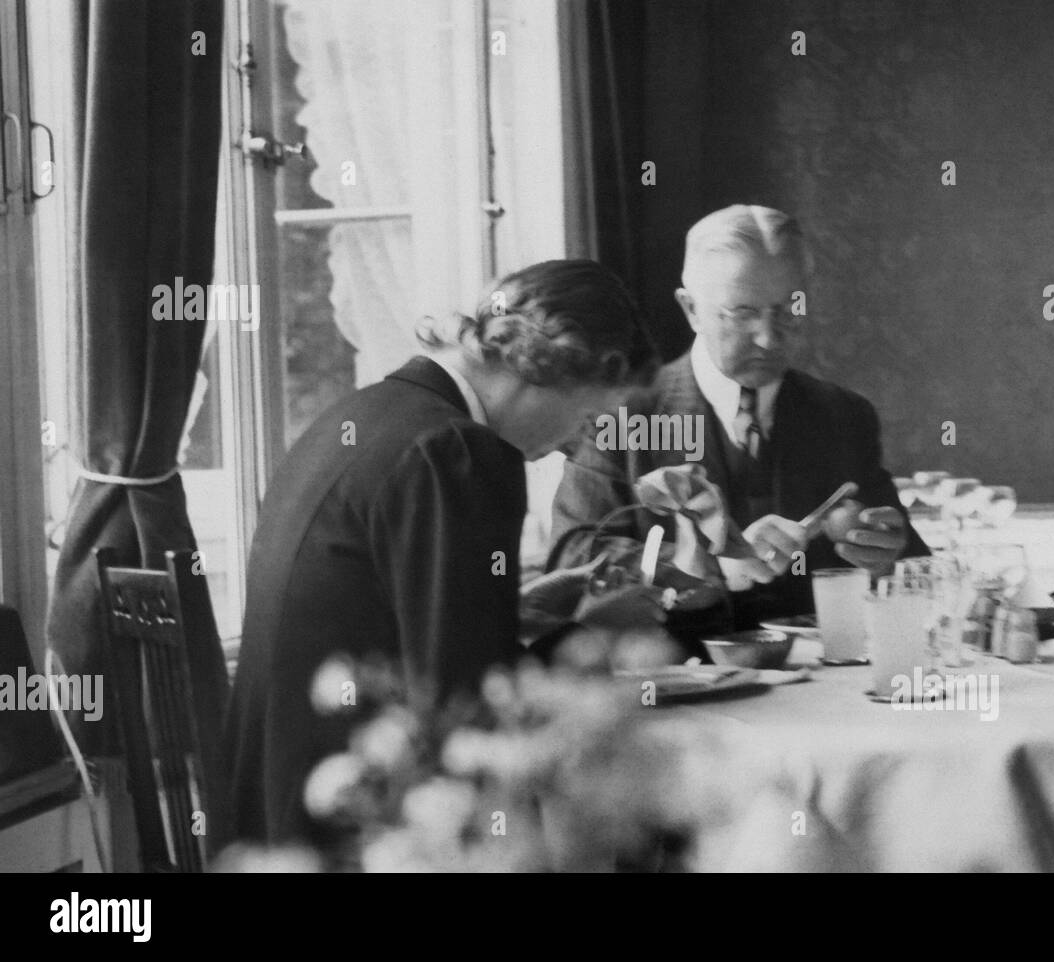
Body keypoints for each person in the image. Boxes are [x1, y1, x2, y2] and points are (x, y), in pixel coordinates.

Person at [225, 259, 658, 845]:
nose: (575, 444)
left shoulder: (366, 413)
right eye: (589, 417)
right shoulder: (456, 453)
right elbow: (467, 713)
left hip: (274, 809)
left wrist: (524, 609)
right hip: (358, 827)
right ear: (548, 368)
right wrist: (592, 636)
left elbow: (394, 624)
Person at [549, 205, 928, 630]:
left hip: (819, 685)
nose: (768, 338)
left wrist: (886, 555)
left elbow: (913, 568)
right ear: (691, 309)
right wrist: (712, 562)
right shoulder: (620, 415)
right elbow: (572, 556)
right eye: (743, 313)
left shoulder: (843, 416)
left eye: (787, 310)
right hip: (667, 678)